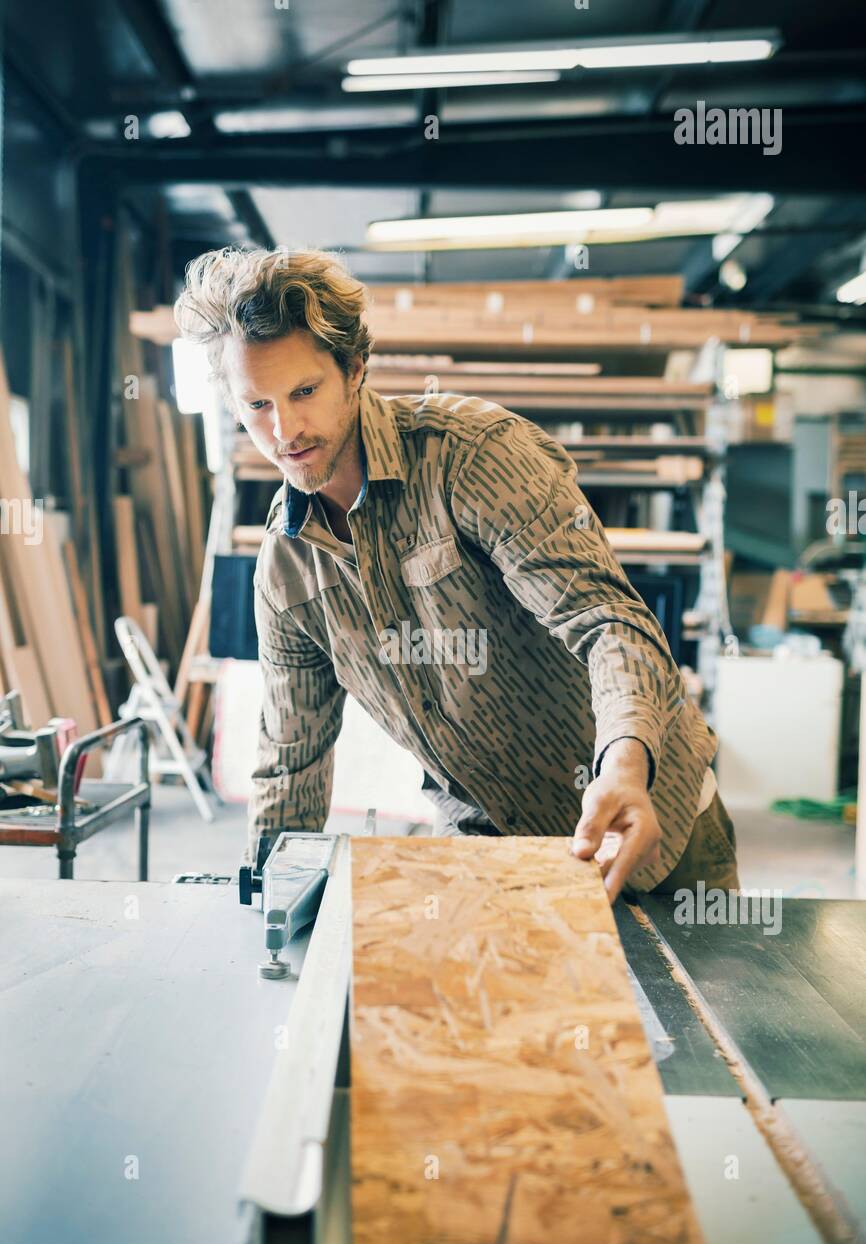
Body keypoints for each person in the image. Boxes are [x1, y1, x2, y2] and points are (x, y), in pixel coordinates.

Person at [174, 247, 740, 903]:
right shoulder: (286, 569)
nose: (286, 430)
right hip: (492, 851)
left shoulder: (473, 458)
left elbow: (609, 623)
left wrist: (623, 765)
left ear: (354, 369)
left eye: (305, 392)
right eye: (257, 405)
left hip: (654, 831)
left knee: (687, 1006)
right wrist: (261, 898)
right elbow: (291, 757)